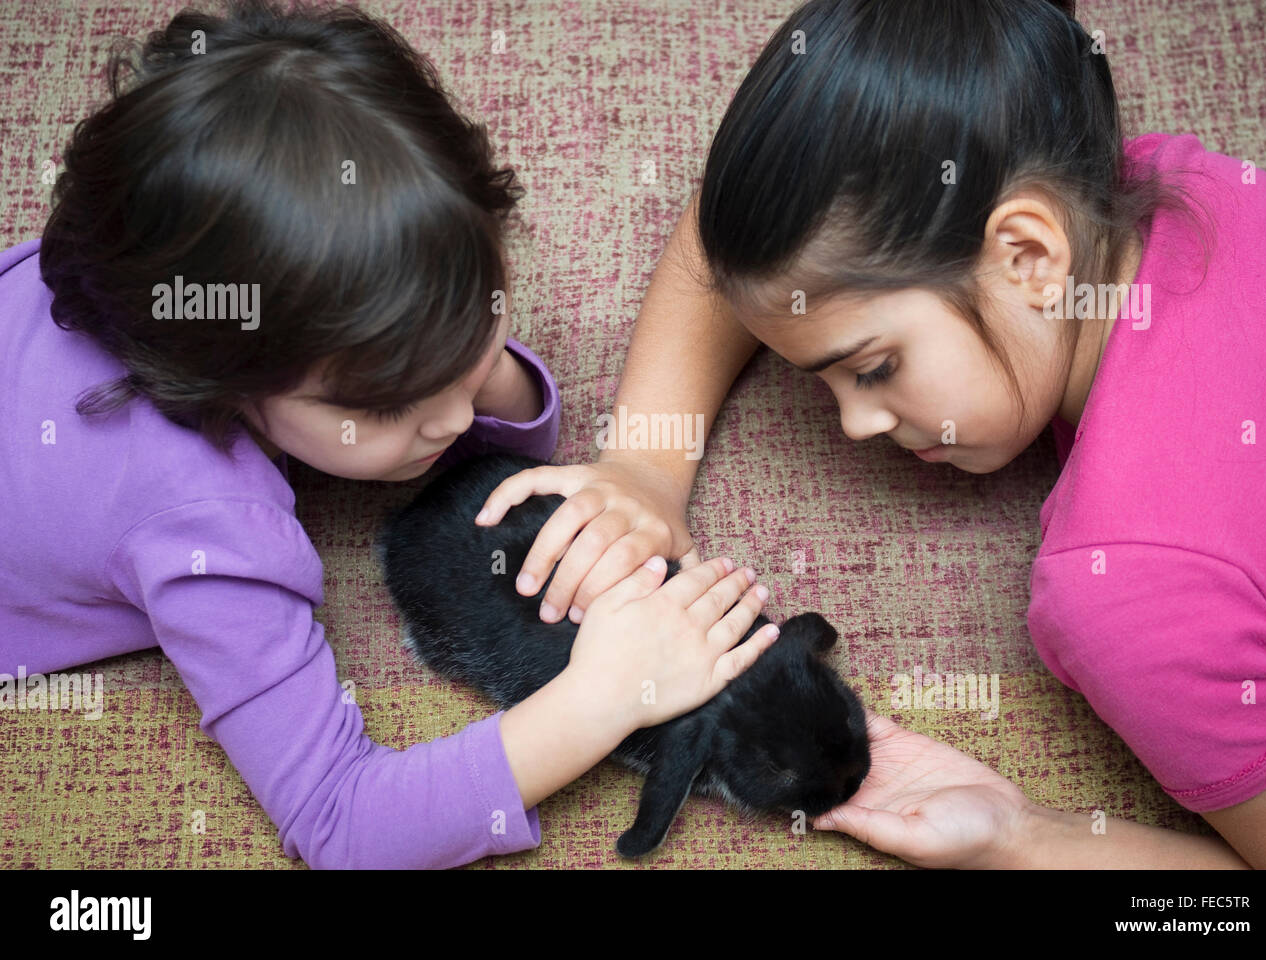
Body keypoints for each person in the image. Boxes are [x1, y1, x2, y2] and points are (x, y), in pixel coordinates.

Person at [475, 0, 1266, 867]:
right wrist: (645, 462)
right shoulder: (1201, 194)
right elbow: (737, 248)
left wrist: (1016, 841)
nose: (855, 423)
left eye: (872, 367)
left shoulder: (1132, 593)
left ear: (1030, 256)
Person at [0, 0, 777, 869]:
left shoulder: (151, 243)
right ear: (221, 380)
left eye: (471, 335)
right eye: (387, 405)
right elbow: (342, 823)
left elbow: (489, 427)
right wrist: (603, 696)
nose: (451, 420)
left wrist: (484, 378)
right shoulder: (208, 531)